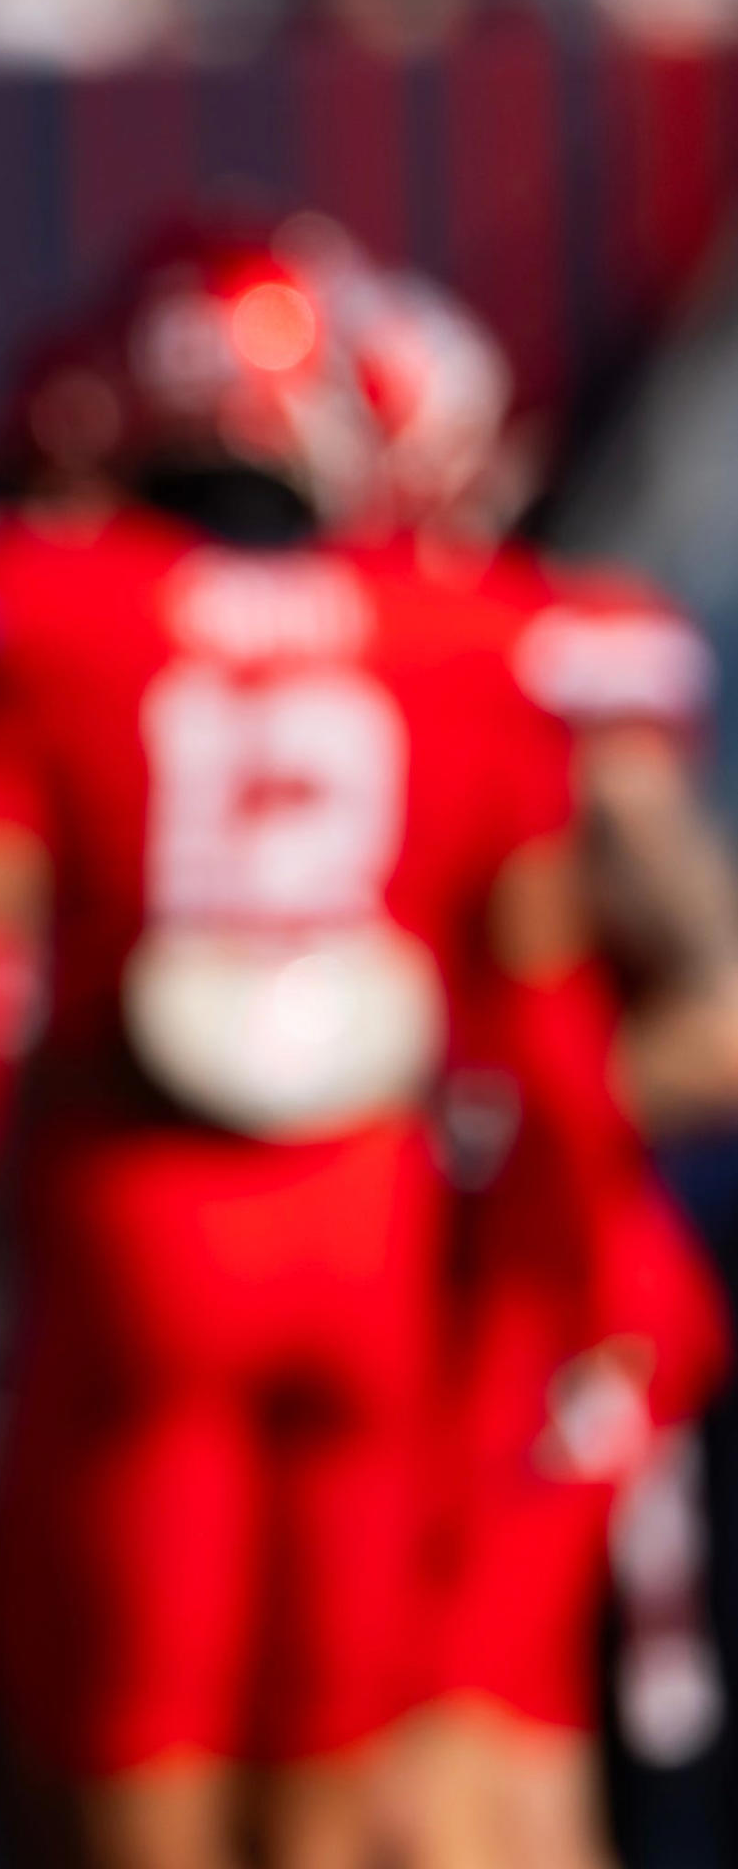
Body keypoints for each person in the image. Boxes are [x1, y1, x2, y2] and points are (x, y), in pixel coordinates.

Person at [0, 223, 591, 1869]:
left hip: (135, 1219)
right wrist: (581, 1269)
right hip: (373, 1225)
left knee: (136, 1727)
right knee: (336, 1728)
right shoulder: (466, 634)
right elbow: (545, 1023)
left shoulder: (40, 613)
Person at [345, 267, 734, 1868]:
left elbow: (716, 1013)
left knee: (451, 1761)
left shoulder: (539, 657)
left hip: (520, 1298)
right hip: (401, 1280)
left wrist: (476, 1134)